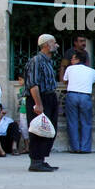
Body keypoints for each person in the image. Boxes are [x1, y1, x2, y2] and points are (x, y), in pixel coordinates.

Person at [24, 33, 61, 172]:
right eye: (54, 42)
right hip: (40, 98)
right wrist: (38, 104)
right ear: (46, 45)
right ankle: (35, 161)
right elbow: (33, 84)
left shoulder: (48, 61)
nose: (56, 45)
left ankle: (41, 159)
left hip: (49, 97)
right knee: (39, 130)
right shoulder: (36, 61)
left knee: (49, 129)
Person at [61, 52, 95, 153]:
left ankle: (75, 147)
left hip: (72, 95)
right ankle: (85, 148)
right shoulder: (91, 71)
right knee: (86, 122)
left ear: (78, 60)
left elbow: (65, 80)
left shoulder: (70, 69)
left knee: (72, 122)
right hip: (85, 96)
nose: (71, 61)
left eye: (73, 58)